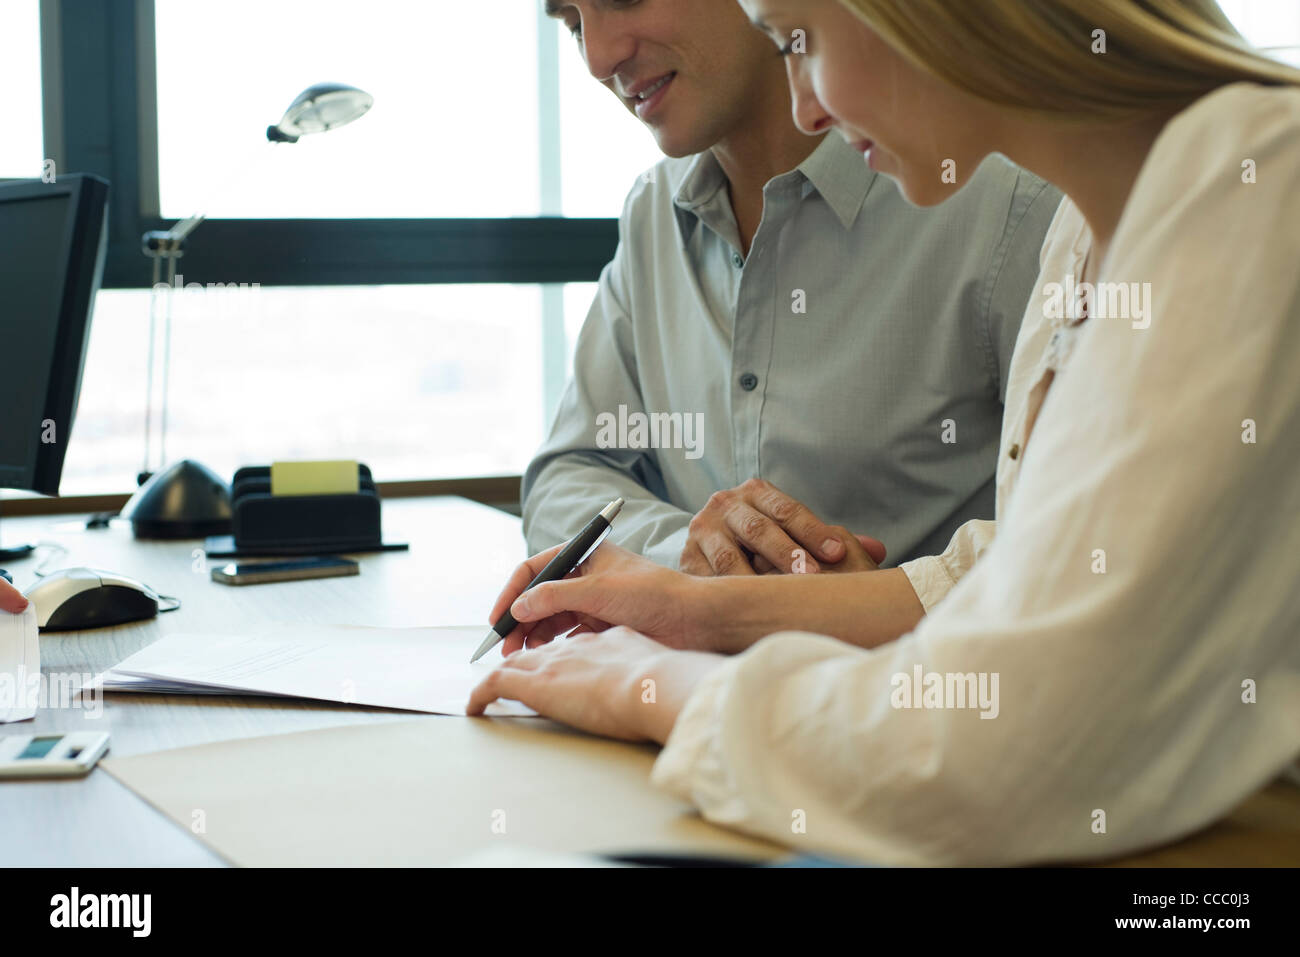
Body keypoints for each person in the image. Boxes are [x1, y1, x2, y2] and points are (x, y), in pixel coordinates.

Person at [470, 0, 1300, 865]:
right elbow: (1027, 563)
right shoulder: (1087, 233)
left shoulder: (1253, 186)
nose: (805, 109)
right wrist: (699, 609)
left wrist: (669, 690)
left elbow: (1013, 746)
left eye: (805, 41)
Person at [529, 0, 1060, 579]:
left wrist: (863, 604)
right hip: (694, 669)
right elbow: (568, 476)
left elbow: (1080, 534)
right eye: (574, 24)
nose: (598, 58)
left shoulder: (1014, 206)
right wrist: (695, 550)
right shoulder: (653, 212)